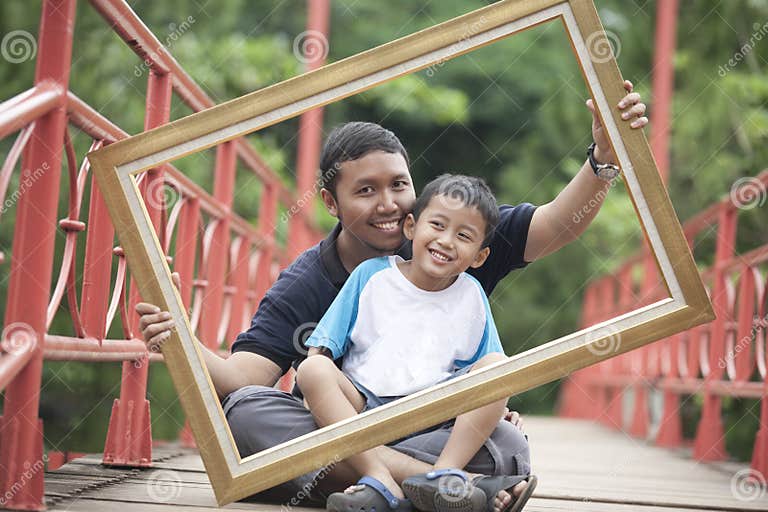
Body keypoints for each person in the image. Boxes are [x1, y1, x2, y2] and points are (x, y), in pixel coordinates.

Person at [136, 80, 648, 509]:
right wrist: (179, 335)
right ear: (329, 203)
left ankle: (385, 485)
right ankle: (443, 491)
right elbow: (242, 380)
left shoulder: (445, 239)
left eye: (399, 185)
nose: (387, 205)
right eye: (365, 191)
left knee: (507, 443)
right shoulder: (310, 280)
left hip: (430, 429)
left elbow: (556, 225)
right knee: (246, 416)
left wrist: (603, 159)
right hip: (352, 419)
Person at [297, 174, 537, 512]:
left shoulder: (471, 296)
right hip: (363, 407)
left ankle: (441, 478)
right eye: (437, 225)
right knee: (313, 370)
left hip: (434, 413)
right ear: (411, 226)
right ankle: (379, 475)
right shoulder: (371, 276)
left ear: (480, 256)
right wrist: (318, 399)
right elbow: (321, 348)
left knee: (502, 374)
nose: (446, 241)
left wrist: (501, 405)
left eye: (463, 236)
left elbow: (488, 369)